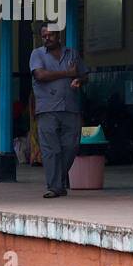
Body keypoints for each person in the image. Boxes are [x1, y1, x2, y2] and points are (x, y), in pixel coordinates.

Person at [29, 25, 89, 198]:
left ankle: (58, 182)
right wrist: (67, 73)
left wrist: (78, 79)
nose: (47, 38)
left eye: (51, 35)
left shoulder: (72, 54)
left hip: (70, 107)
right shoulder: (37, 54)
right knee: (51, 149)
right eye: (44, 36)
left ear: (59, 36)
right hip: (47, 107)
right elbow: (40, 75)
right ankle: (54, 186)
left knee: (71, 147)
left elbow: (84, 75)